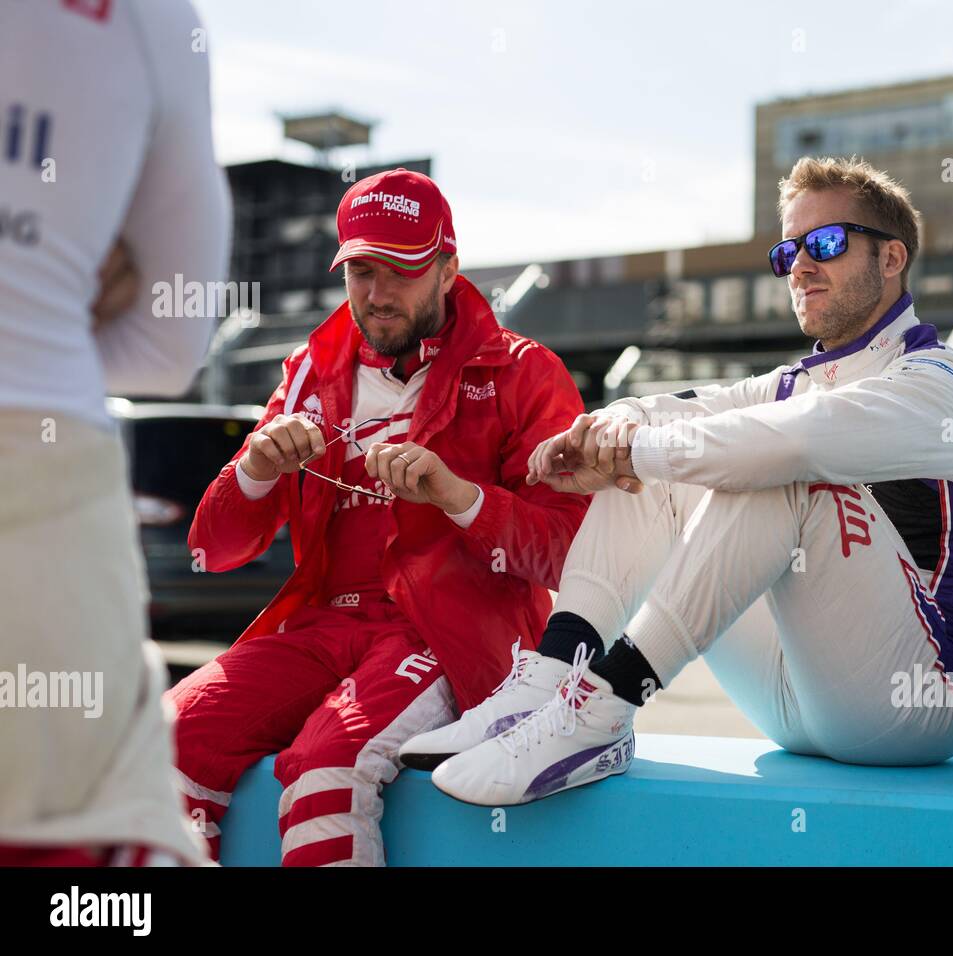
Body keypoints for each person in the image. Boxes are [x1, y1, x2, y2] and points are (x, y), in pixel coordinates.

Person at [401, 156, 953, 806]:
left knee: (779, 467)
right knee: (653, 457)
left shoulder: (944, 384)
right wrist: (608, 429)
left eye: (827, 244)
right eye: (788, 251)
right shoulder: (792, 383)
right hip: (794, 699)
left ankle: (605, 706)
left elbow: (798, 440)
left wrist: (638, 450)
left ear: (892, 257)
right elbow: (675, 413)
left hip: (922, 703)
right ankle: (554, 677)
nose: (801, 266)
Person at [166, 167, 590, 865]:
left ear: (449, 269)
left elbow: (567, 554)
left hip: (452, 632)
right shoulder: (309, 369)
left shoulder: (524, 372)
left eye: (402, 270)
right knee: (167, 736)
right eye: (361, 270)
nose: (377, 293)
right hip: (325, 624)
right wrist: (254, 469)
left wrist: (460, 497)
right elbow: (214, 548)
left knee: (326, 764)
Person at [0, 0, 230, 865]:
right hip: (39, 482)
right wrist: (56, 293)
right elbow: (170, 345)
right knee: (84, 863)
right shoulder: (147, 18)